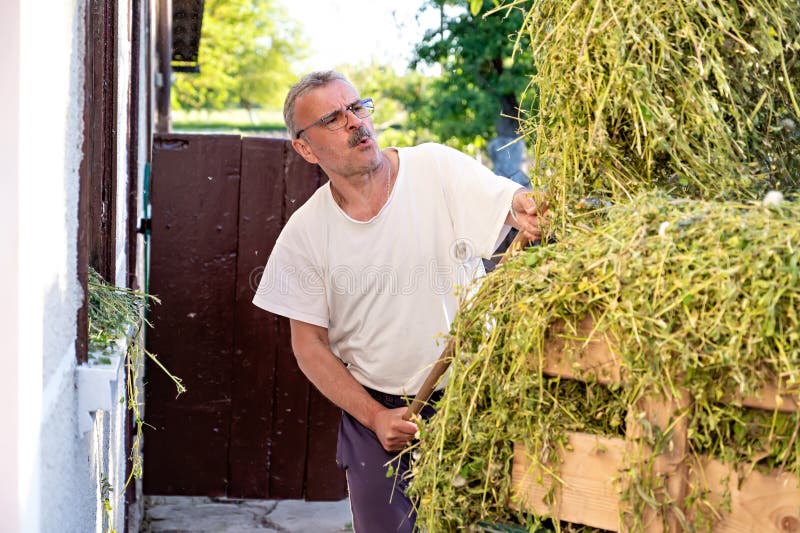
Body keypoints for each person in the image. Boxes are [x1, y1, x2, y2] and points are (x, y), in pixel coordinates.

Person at [252, 71, 545, 532]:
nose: (355, 123)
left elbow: (505, 202)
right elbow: (308, 345)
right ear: (305, 148)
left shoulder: (435, 169)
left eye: (358, 107)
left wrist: (524, 206)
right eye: (333, 118)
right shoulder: (305, 235)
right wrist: (375, 416)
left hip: (471, 402)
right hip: (378, 421)